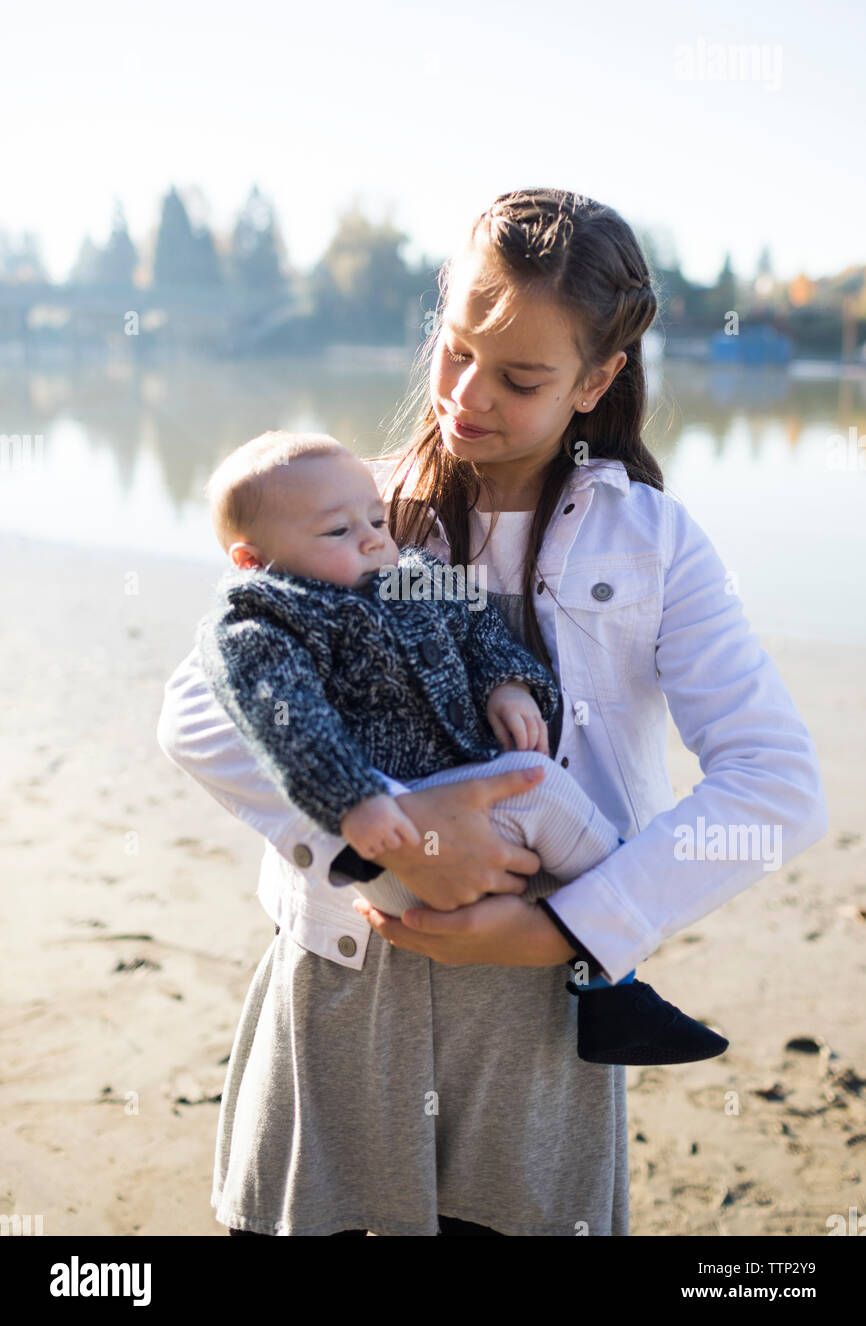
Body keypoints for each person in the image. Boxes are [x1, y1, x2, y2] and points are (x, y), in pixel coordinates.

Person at [157, 188, 828, 1237]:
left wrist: (571, 924)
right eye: (456, 350)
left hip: (540, 1008)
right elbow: (201, 715)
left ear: (596, 380)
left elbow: (775, 786)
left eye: (519, 377)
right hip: (342, 983)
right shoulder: (342, 511)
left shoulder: (655, 545)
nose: (465, 396)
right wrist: (389, 847)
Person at [194, 429, 727, 1064]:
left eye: (375, 519)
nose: (370, 539)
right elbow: (288, 725)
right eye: (336, 532)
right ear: (254, 562)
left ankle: (606, 979)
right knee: (539, 783)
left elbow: (477, 626)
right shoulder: (263, 624)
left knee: (536, 781)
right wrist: (355, 804)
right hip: (395, 841)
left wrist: (507, 684)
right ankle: (615, 982)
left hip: (464, 817)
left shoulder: (412, 574)